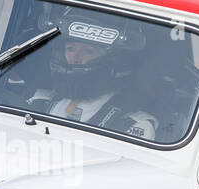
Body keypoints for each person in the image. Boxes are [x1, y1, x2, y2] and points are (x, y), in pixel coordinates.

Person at [25, 22, 160, 140]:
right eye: (70, 49)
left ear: (112, 62)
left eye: (88, 51)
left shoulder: (134, 124)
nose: (76, 59)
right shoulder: (39, 101)